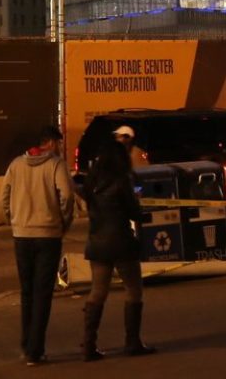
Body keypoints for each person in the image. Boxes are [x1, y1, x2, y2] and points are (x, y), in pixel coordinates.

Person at [1, 125, 76, 365]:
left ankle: (26, 345)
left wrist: (13, 220)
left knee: (27, 291)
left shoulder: (15, 165)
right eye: (59, 143)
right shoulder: (56, 165)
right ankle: (36, 349)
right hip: (48, 235)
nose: (60, 147)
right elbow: (67, 196)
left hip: (21, 235)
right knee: (43, 293)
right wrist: (63, 222)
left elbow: (3, 196)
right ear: (51, 143)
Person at [79, 139, 155, 361]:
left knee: (98, 292)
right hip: (122, 243)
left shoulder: (91, 183)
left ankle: (89, 345)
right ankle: (132, 343)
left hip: (97, 243)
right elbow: (134, 213)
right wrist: (142, 207)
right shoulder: (122, 182)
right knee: (133, 290)